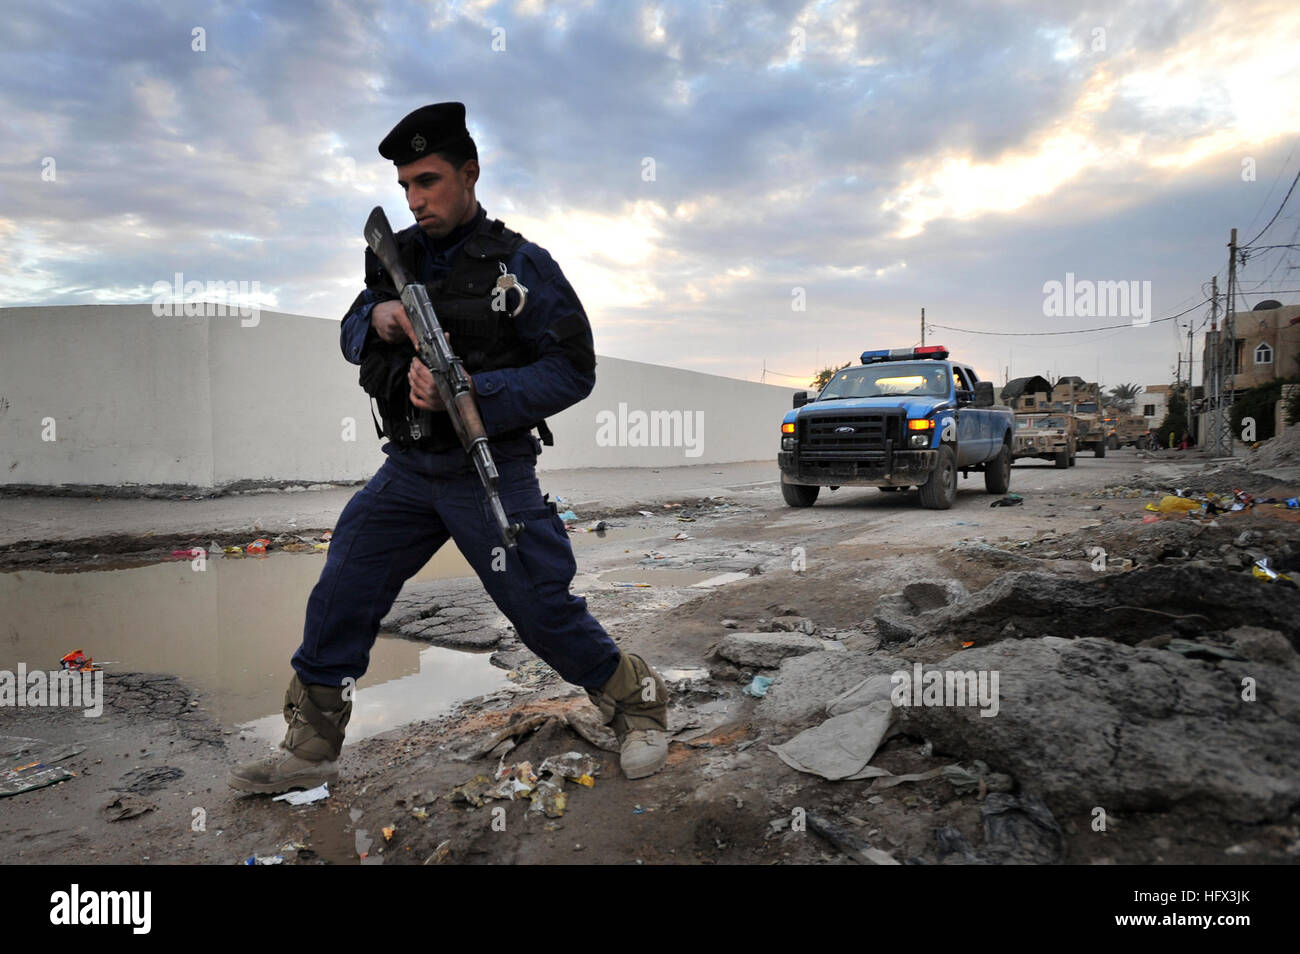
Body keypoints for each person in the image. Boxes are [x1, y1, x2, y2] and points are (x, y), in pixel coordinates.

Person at [228, 102, 669, 794]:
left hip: (487, 469)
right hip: (408, 469)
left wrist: (473, 393)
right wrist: (380, 316)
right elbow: (350, 329)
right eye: (405, 185)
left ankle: (638, 706)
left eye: (428, 181)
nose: (415, 198)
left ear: (470, 173)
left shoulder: (522, 266)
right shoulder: (393, 256)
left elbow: (574, 369)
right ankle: (312, 741)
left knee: (540, 608)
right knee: (342, 586)